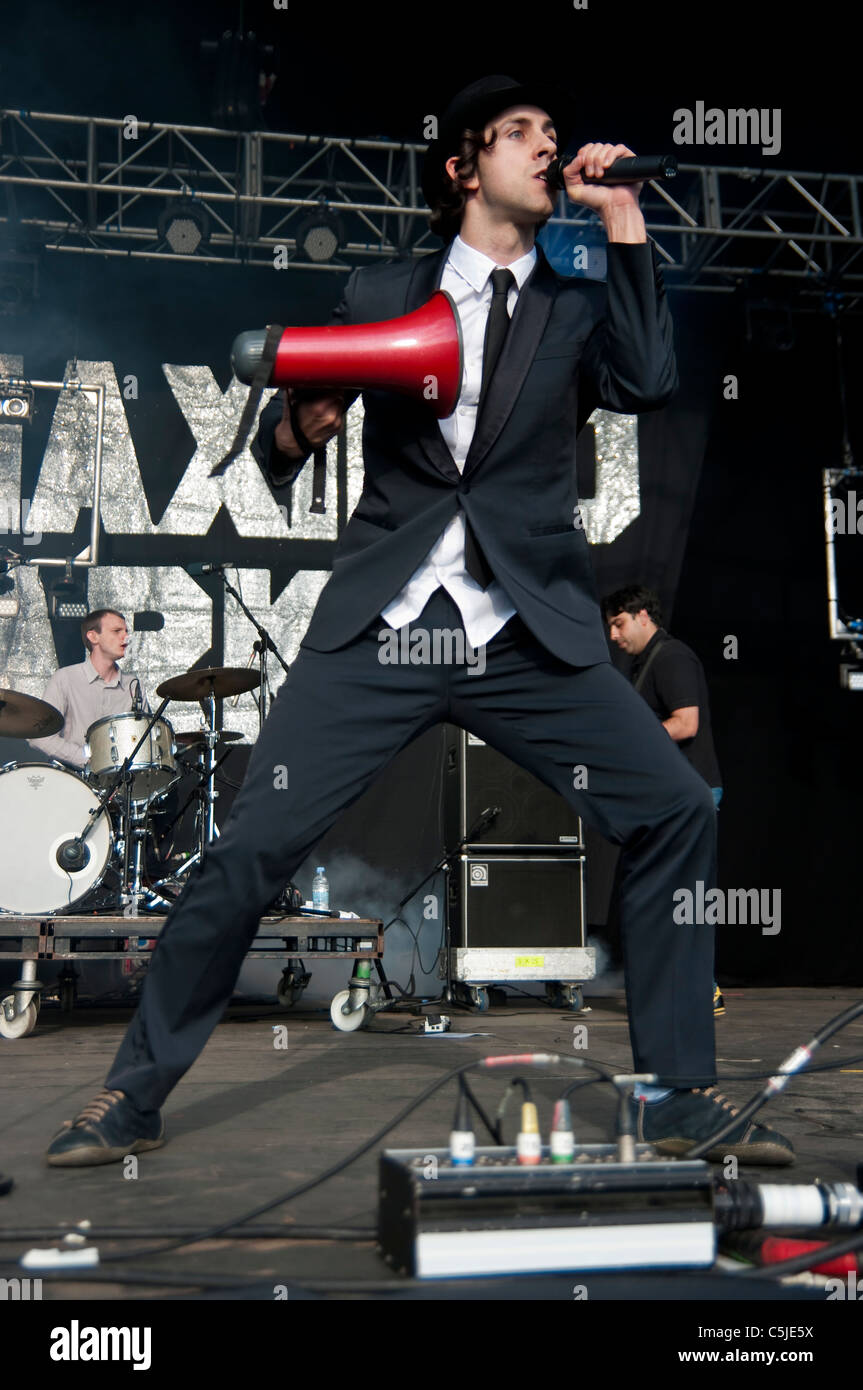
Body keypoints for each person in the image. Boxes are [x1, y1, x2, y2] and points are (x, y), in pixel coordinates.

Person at [45, 74, 792, 1168]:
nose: (548, 148)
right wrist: (302, 424)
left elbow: (648, 377)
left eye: (551, 133)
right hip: (384, 629)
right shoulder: (381, 286)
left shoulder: (573, 305)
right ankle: (130, 1096)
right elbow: (278, 455)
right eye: (521, 134)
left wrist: (623, 223)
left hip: (522, 632)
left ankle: (678, 1092)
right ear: (461, 166)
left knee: (674, 809)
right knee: (249, 846)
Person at [603, 584, 726, 1014]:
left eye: (618, 624)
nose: (614, 636)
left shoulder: (671, 656)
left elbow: (686, 723)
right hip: (668, 800)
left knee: (685, 897)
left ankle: (701, 989)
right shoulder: (643, 664)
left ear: (642, 616)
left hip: (690, 796)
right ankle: (680, 989)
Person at [28, 609, 146, 770]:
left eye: (126, 631)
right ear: (93, 636)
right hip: (72, 780)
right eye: (117, 631)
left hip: (120, 784)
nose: (125, 637)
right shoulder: (65, 678)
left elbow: (145, 737)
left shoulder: (132, 684)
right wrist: (88, 759)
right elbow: (39, 737)